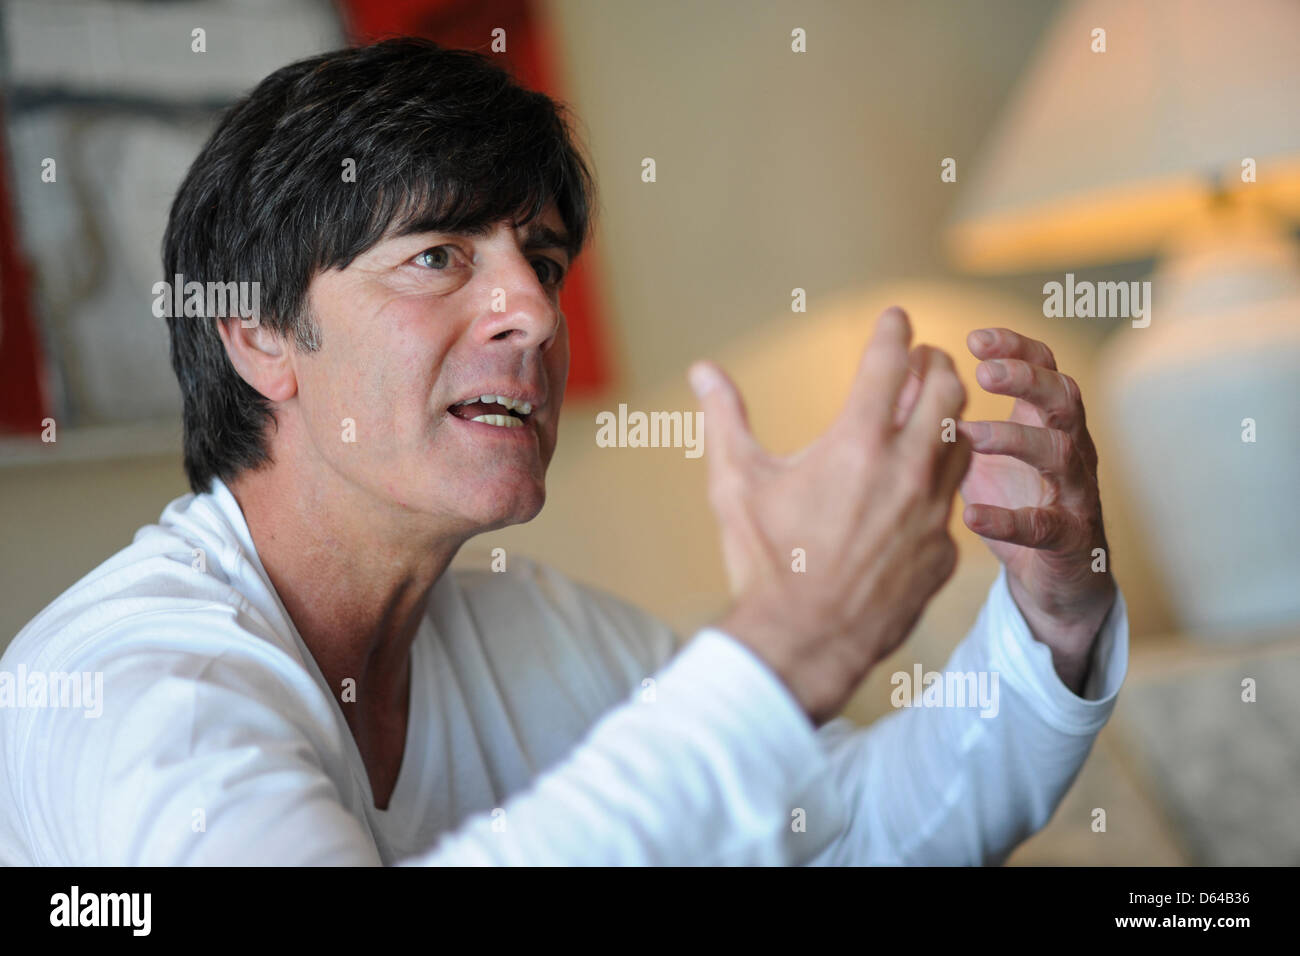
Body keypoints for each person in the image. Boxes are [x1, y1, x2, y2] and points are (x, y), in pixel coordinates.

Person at [0, 38, 1126, 866]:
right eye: (438, 255)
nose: (532, 312)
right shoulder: (141, 686)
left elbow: (855, 831)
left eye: (539, 257)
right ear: (255, 336)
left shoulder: (529, 625)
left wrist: (1052, 618)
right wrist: (783, 645)